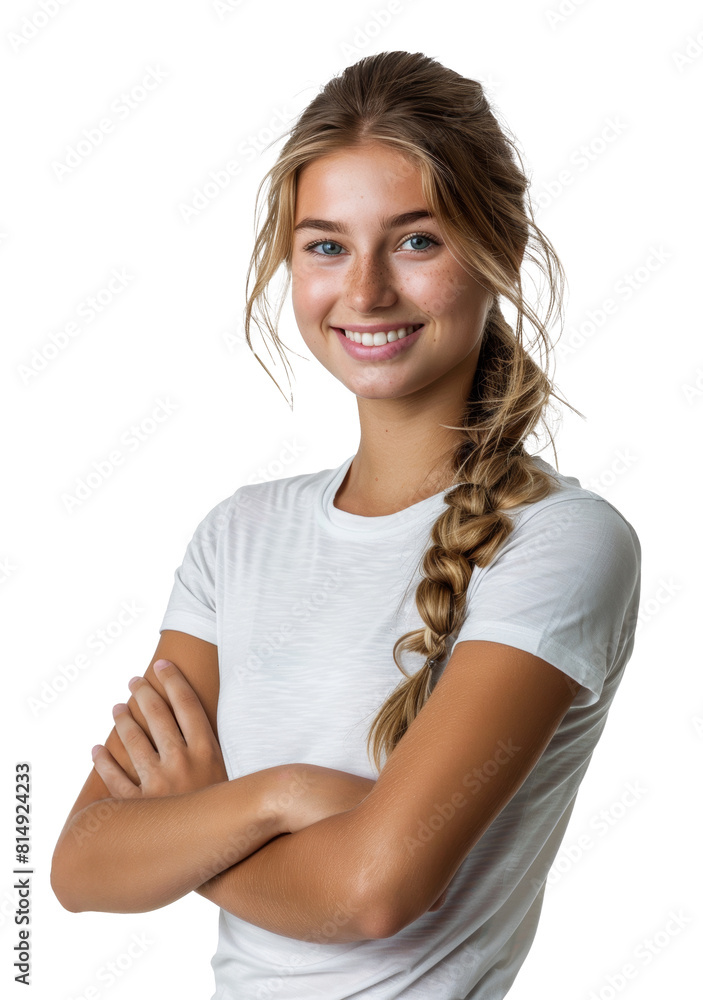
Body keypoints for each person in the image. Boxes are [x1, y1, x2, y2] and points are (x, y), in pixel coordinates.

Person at [51, 50, 641, 998]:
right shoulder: (237, 536)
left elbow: (374, 889)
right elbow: (81, 866)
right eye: (325, 245)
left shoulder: (561, 543)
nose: (363, 292)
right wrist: (280, 797)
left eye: (414, 241)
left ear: (500, 244)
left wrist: (190, 827)